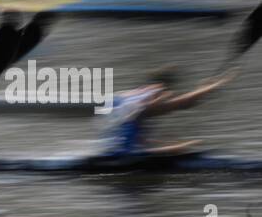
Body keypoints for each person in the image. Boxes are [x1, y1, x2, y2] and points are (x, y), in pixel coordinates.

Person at [93, 68, 235, 158]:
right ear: (164, 86)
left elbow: (135, 136)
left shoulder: (134, 94)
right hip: (121, 155)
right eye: (168, 92)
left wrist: (171, 148)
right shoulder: (154, 95)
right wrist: (217, 85)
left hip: (108, 148)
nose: (169, 94)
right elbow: (185, 102)